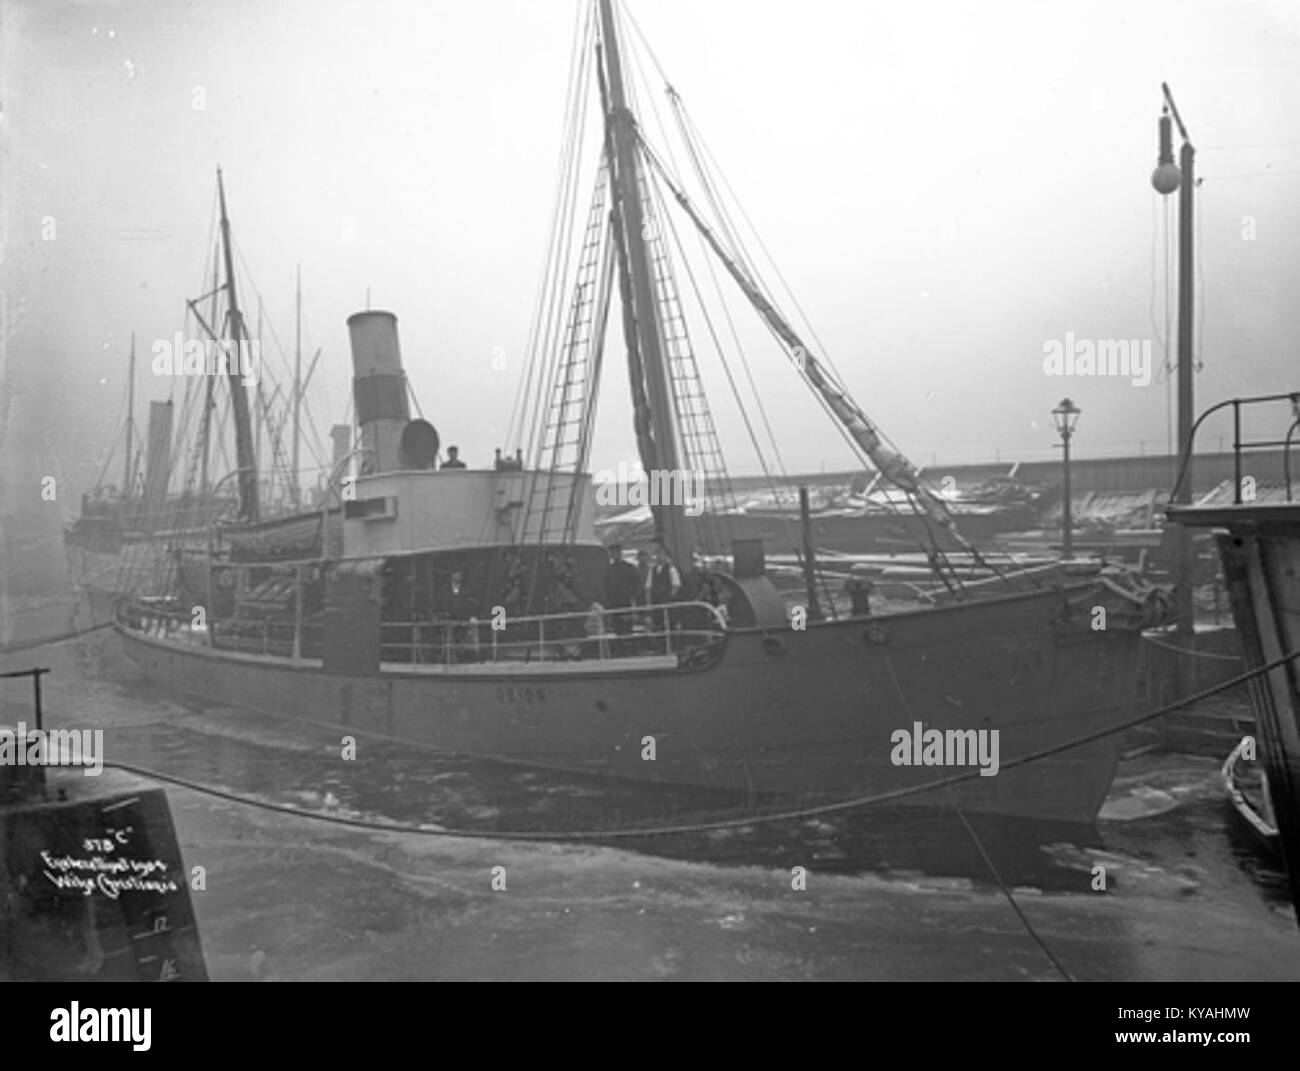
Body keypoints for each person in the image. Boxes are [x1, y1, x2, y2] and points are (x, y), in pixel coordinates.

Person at [603, 544, 641, 651]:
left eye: (615, 552)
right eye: (611, 553)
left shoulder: (629, 568)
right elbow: (606, 586)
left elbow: (637, 584)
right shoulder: (609, 570)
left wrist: (632, 596)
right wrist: (608, 600)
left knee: (627, 626)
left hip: (626, 601)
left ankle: (629, 648)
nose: (613, 555)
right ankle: (620, 648)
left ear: (619, 553)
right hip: (614, 603)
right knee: (617, 627)